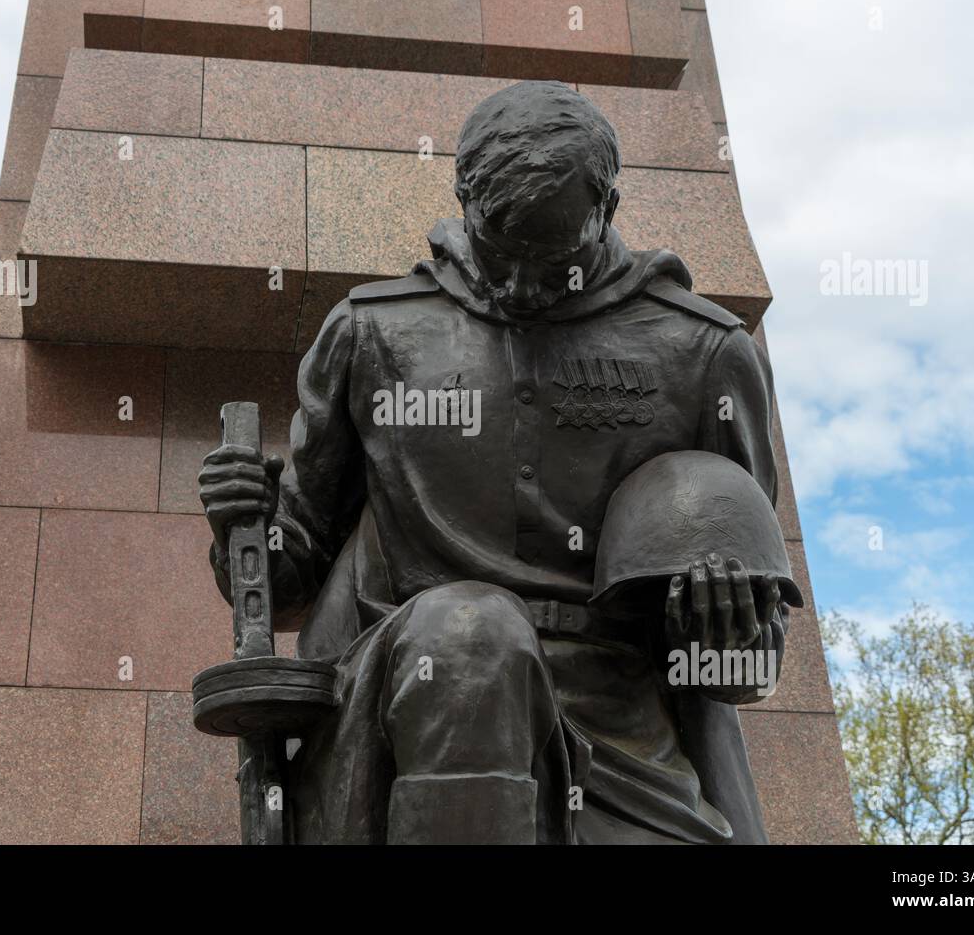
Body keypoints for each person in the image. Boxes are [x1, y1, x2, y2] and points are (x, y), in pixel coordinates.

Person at [200, 81, 788, 844]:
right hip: (415, 697)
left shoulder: (702, 354)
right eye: (499, 252)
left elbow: (748, 667)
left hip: (617, 732)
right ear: (462, 198)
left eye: (550, 262)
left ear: (608, 207)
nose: (517, 287)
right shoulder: (373, 334)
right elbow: (289, 577)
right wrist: (246, 525)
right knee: (471, 628)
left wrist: (723, 629)